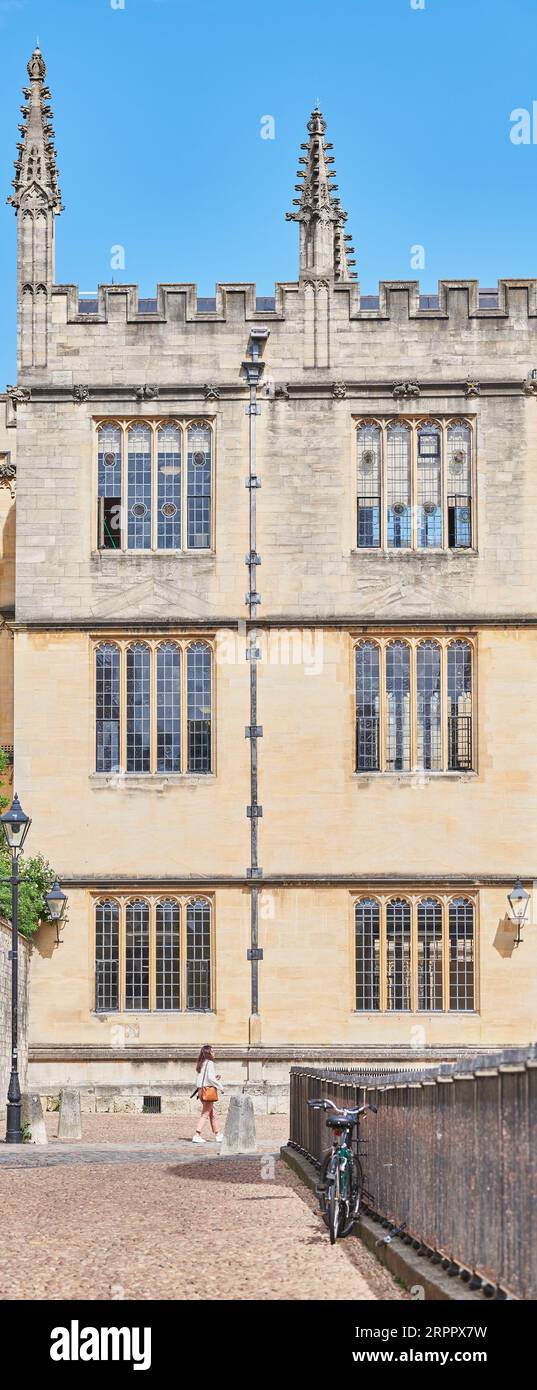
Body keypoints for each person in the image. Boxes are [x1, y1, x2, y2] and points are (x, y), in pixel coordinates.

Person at [192, 1043, 224, 1143]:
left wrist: (215, 1078)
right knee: (205, 1114)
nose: (214, 1053)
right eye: (212, 1051)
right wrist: (220, 1086)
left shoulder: (200, 1063)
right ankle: (197, 1135)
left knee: (212, 1113)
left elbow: (200, 1079)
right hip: (208, 1091)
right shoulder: (209, 1063)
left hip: (201, 1091)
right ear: (208, 1053)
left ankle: (218, 1134)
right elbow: (210, 1078)